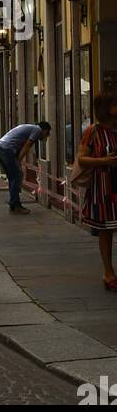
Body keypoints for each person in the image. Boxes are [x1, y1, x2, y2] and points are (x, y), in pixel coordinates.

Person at [76, 93, 117, 291]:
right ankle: (109, 272)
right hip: (103, 187)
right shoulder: (93, 131)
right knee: (106, 231)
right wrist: (104, 161)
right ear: (107, 108)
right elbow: (82, 159)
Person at [0, 120, 51, 213]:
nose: (46, 136)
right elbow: (27, 146)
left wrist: (17, 161)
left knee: (13, 177)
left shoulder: (30, 128)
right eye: (47, 133)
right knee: (17, 176)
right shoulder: (37, 130)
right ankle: (16, 205)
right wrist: (18, 161)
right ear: (44, 130)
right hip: (6, 149)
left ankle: (13, 204)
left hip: (0, 147)